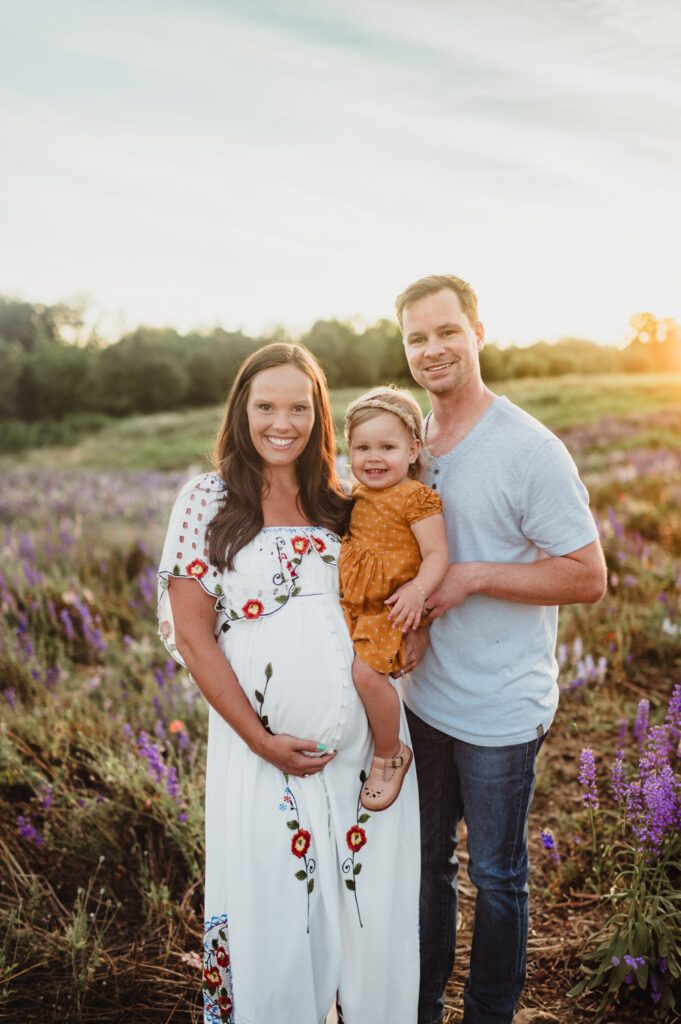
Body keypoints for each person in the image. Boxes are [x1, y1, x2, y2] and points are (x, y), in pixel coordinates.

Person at [156, 343, 419, 1024]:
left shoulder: (344, 495)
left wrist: (415, 625)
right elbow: (192, 637)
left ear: (318, 413)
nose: (282, 421)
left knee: (372, 917)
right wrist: (261, 740)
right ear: (241, 410)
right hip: (263, 754)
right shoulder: (206, 499)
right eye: (265, 405)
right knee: (273, 909)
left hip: (367, 754)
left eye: (299, 406)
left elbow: (398, 579)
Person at [394, 275, 607, 1024]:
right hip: (422, 701)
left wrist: (474, 575)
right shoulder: (412, 442)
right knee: (423, 870)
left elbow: (587, 577)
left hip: (499, 707)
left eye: (445, 331)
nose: (432, 349)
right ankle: (416, 1006)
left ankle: (487, 1013)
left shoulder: (527, 449)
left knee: (495, 875)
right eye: (416, 338)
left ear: (478, 333)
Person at [339, 386, 448, 811]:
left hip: (390, 608)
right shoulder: (353, 496)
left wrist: (417, 593)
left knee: (367, 677)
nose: (375, 457)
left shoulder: (416, 497)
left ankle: (390, 753)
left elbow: (438, 554)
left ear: (413, 449)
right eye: (363, 447)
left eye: (388, 446)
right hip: (353, 606)